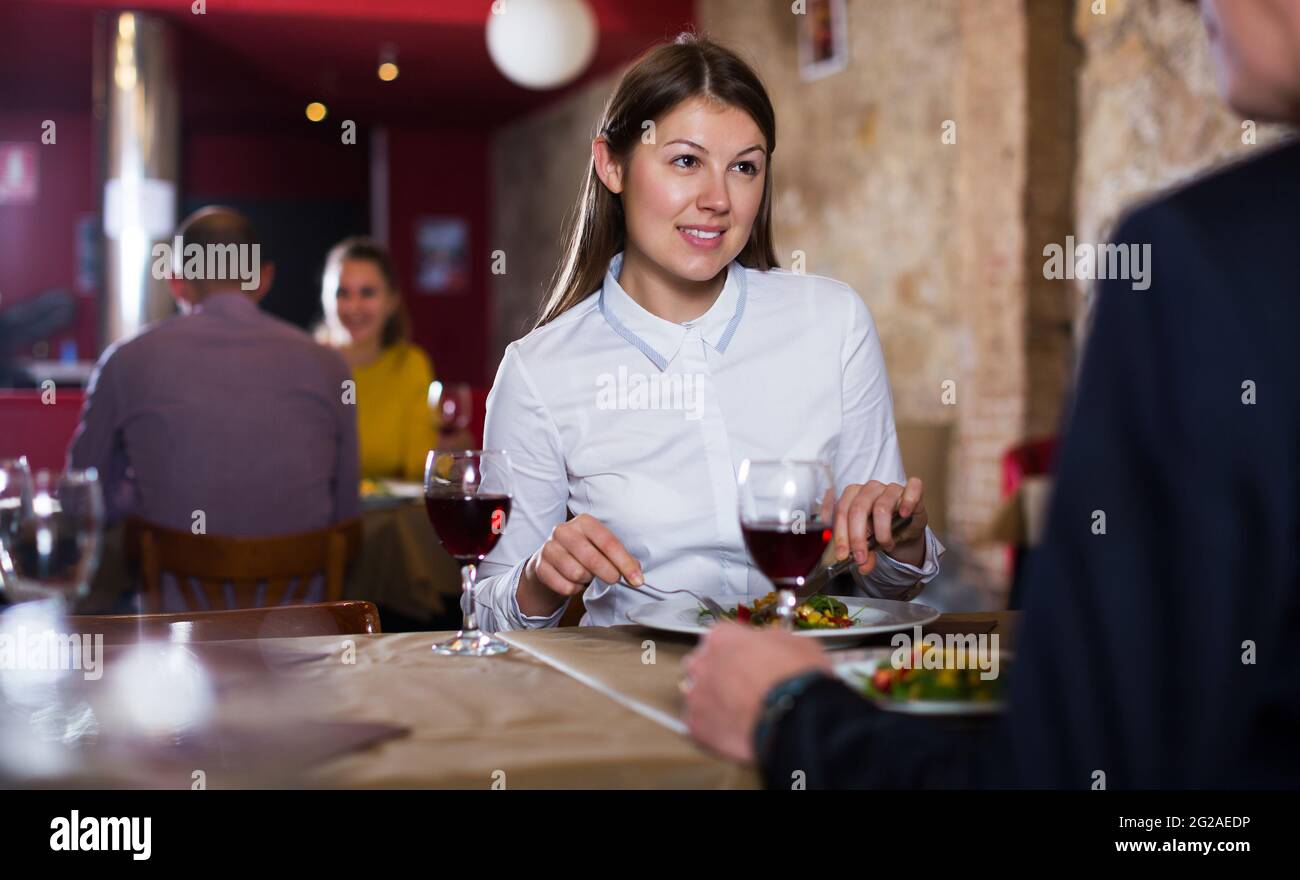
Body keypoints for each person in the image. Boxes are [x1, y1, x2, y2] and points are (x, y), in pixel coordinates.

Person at [683, 0, 1300, 789]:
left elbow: (1083, 773)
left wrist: (788, 714)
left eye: (743, 166)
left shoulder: (1203, 257)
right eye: (685, 161)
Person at [471, 33, 944, 632]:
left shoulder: (834, 322)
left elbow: (885, 581)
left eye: (744, 167)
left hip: (802, 683)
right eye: (686, 161)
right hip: (627, 699)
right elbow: (487, 621)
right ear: (611, 164)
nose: (718, 199)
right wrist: (539, 578)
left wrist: (900, 540)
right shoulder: (539, 370)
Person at [68, 206, 359, 544]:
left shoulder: (124, 361)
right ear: (264, 279)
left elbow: (79, 503)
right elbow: (347, 519)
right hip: (306, 596)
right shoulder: (332, 367)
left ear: (176, 283)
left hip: (168, 593)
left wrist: (139, 493)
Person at [318, 237, 439, 482]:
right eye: (342, 293)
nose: (354, 307)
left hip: (389, 517)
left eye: (367, 293)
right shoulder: (305, 365)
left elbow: (419, 468)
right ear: (325, 298)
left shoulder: (411, 364)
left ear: (392, 301)